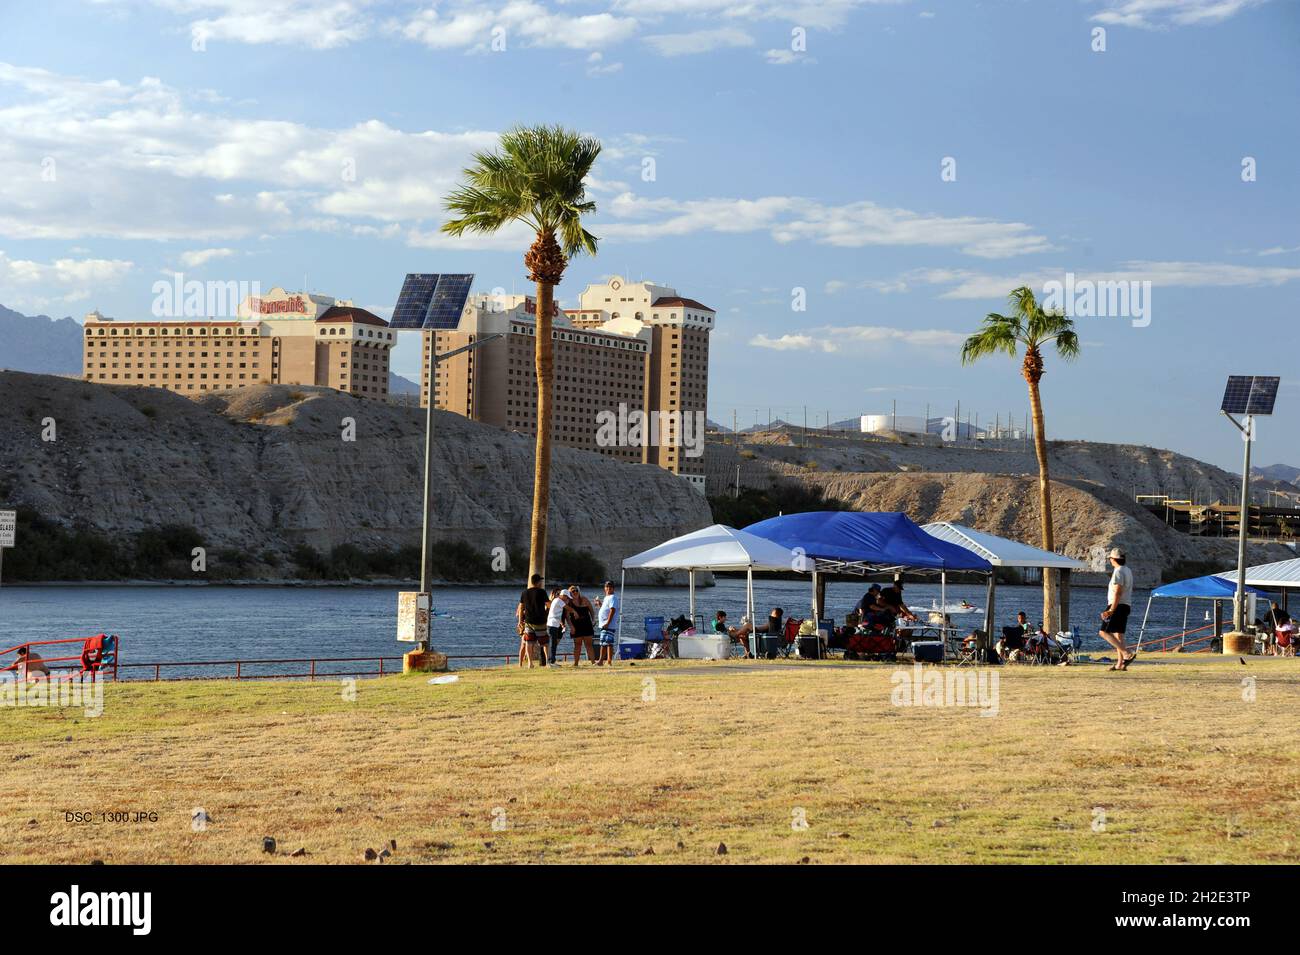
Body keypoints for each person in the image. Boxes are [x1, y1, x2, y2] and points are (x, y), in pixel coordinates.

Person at [1099, 547, 1136, 671]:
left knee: (1103, 632)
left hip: (1117, 605)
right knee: (1118, 635)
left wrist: (1111, 610)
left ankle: (1127, 653)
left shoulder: (1118, 571)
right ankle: (1120, 664)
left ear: (1113, 559)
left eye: (1110, 558)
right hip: (1126, 605)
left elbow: (1118, 592)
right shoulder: (1128, 570)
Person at [516, 573, 550, 668]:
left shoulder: (524, 593)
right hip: (540, 621)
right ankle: (547, 662)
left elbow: (520, 608)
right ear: (538, 582)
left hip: (528, 621)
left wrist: (519, 621)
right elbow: (548, 605)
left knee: (529, 642)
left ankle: (530, 663)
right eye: (540, 581)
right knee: (545, 643)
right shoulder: (542, 592)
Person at [566, 585, 596, 666]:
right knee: (577, 645)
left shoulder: (584, 599)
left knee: (589, 644)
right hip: (576, 626)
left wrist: (593, 620)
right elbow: (567, 617)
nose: (575, 592)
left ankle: (593, 662)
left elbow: (592, 611)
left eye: (576, 590)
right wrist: (571, 626)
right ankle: (576, 663)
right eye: (573, 591)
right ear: (570, 593)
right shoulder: (569, 602)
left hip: (587, 625)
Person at [594, 580, 620, 667]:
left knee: (609, 643)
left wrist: (608, 623)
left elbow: (612, 610)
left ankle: (609, 661)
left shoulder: (613, 597)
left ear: (613, 588)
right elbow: (606, 609)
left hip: (608, 625)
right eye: (606, 587)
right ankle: (601, 661)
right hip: (604, 624)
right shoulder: (606, 598)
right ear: (604, 588)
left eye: (610, 587)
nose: (608, 588)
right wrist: (599, 604)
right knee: (603, 643)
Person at [545, 586, 569, 668]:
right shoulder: (559, 600)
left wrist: (562, 624)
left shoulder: (556, 600)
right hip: (552, 625)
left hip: (553, 625)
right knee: (553, 644)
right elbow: (568, 608)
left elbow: (556, 616)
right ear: (564, 596)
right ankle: (551, 662)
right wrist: (575, 612)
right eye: (567, 597)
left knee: (553, 644)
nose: (567, 599)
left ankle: (551, 661)